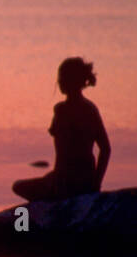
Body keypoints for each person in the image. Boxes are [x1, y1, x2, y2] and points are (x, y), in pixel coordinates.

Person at [12, 58, 111, 201]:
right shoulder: (87, 109)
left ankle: (54, 198)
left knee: (18, 186)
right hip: (78, 179)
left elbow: (104, 149)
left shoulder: (66, 110)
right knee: (23, 186)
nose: (59, 82)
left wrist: (95, 185)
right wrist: (95, 184)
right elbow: (105, 149)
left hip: (68, 181)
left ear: (72, 81)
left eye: (62, 78)